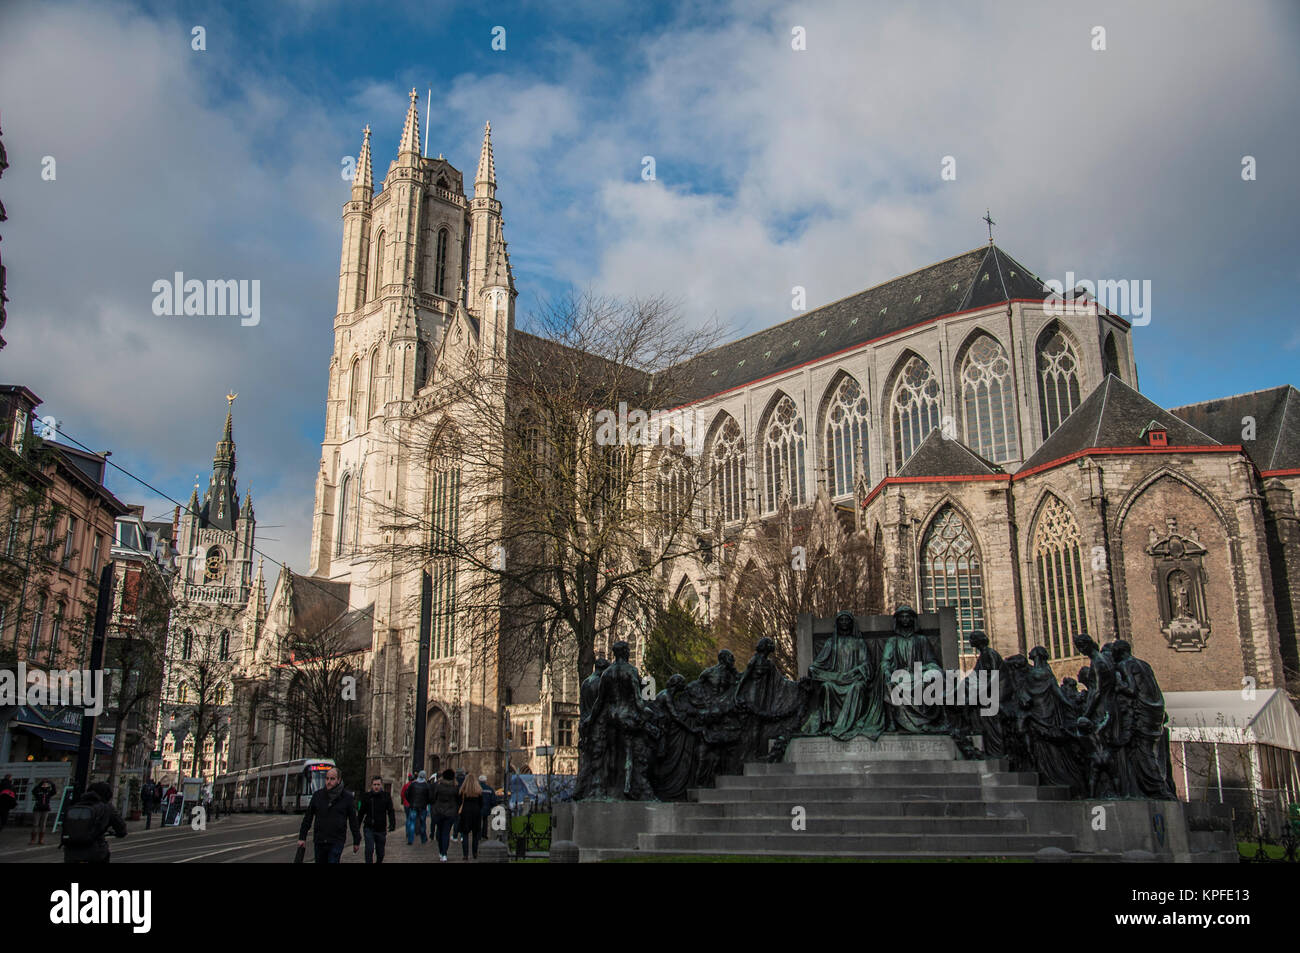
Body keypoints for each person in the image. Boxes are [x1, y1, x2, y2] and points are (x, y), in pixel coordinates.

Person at [297, 767, 360, 864]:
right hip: (320, 840)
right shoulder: (318, 796)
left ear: (338, 780)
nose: (329, 782)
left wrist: (356, 840)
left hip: (336, 840)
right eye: (327, 779)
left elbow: (353, 820)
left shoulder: (347, 798)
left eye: (332, 779)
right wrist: (302, 837)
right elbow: (308, 818)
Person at [61, 781, 127, 863]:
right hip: (95, 851)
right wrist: (120, 833)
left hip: (71, 851)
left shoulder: (77, 805)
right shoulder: (107, 807)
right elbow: (121, 827)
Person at [357, 776, 396, 864]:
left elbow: (390, 811)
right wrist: (357, 826)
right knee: (369, 849)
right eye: (374, 784)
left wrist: (392, 823)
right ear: (371, 785)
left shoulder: (386, 796)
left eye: (378, 784)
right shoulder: (367, 797)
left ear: (381, 785)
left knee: (380, 852)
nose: (376, 787)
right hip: (369, 827)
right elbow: (361, 813)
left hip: (381, 828)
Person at [431, 769, 460, 861]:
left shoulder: (438, 786)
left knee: (439, 831)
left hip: (439, 812)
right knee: (446, 833)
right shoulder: (455, 787)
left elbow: (433, 798)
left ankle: (441, 851)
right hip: (450, 813)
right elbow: (458, 800)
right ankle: (444, 853)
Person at [457, 774, 483, 860]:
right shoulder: (478, 791)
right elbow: (481, 803)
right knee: (475, 834)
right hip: (475, 812)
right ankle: (475, 853)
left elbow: (459, 802)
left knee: (465, 834)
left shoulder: (463, 790)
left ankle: (465, 854)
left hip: (465, 812)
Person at [405, 770, 430, 845]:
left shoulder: (413, 784)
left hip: (413, 806)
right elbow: (429, 797)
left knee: (412, 822)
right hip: (422, 807)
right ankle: (423, 839)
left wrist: (411, 802)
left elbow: (407, 794)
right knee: (422, 823)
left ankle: (410, 840)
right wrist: (426, 803)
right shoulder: (426, 785)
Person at [30, 777, 57, 845]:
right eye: (43, 784)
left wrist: (50, 783)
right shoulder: (38, 791)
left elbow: (54, 791)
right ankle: (33, 839)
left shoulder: (49, 792)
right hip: (37, 809)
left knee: (43, 824)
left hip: (45, 809)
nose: (45, 786)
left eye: (46, 784)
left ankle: (41, 839)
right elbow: (33, 791)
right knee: (35, 824)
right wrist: (40, 783)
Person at [478, 775, 496, 840]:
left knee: (478, 822)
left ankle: (478, 835)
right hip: (486, 808)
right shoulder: (489, 789)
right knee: (485, 821)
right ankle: (484, 835)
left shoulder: (477, 788)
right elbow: (493, 800)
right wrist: (491, 806)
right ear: (485, 781)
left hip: (478, 808)